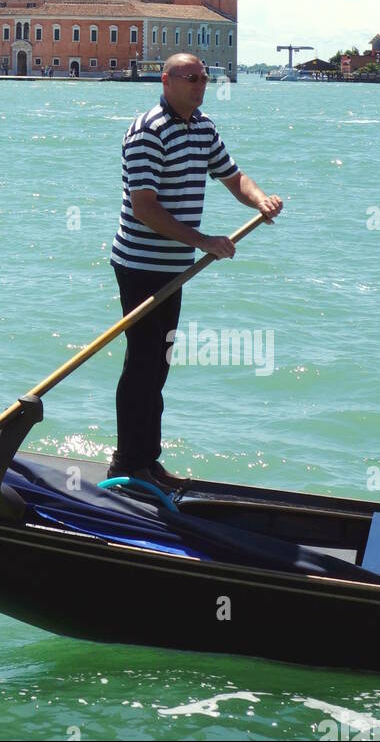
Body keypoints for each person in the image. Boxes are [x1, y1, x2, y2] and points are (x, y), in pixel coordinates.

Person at [108, 53, 282, 489]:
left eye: (204, 78)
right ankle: (126, 463)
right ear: (166, 81)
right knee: (143, 363)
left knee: (159, 363)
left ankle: (147, 460)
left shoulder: (202, 127)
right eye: (191, 79)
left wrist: (260, 199)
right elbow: (146, 209)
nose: (200, 85)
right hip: (140, 265)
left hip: (175, 267)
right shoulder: (147, 132)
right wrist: (203, 241)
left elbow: (233, 176)